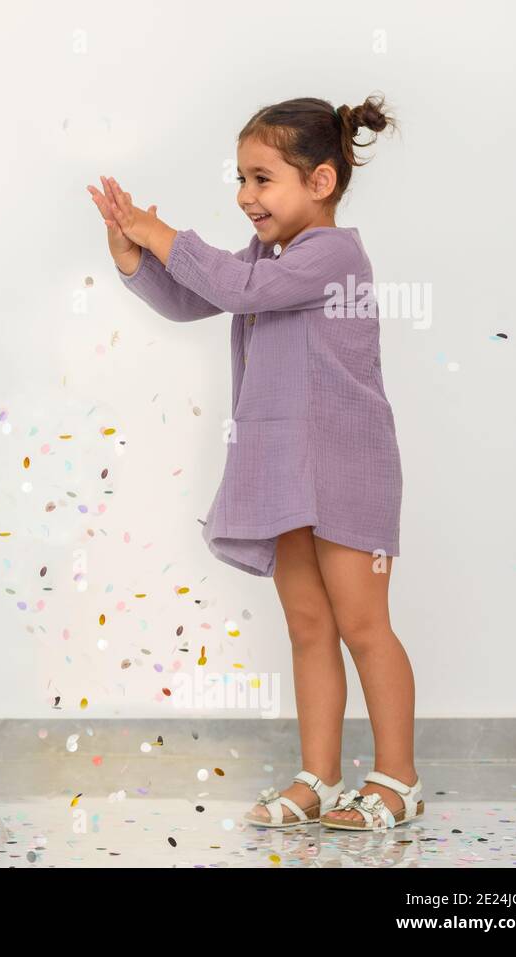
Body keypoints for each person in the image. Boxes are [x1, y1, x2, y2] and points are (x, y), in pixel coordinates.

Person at [89, 95, 423, 831]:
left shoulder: (334, 255)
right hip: (283, 465)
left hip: (346, 464)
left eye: (263, 179)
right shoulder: (266, 257)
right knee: (308, 623)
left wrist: (160, 230)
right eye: (241, 179)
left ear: (321, 183)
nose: (245, 196)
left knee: (364, 623)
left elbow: (239, 289)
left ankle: (397, 775)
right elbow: (202, 297)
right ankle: (319, 775)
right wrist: (134, 257)